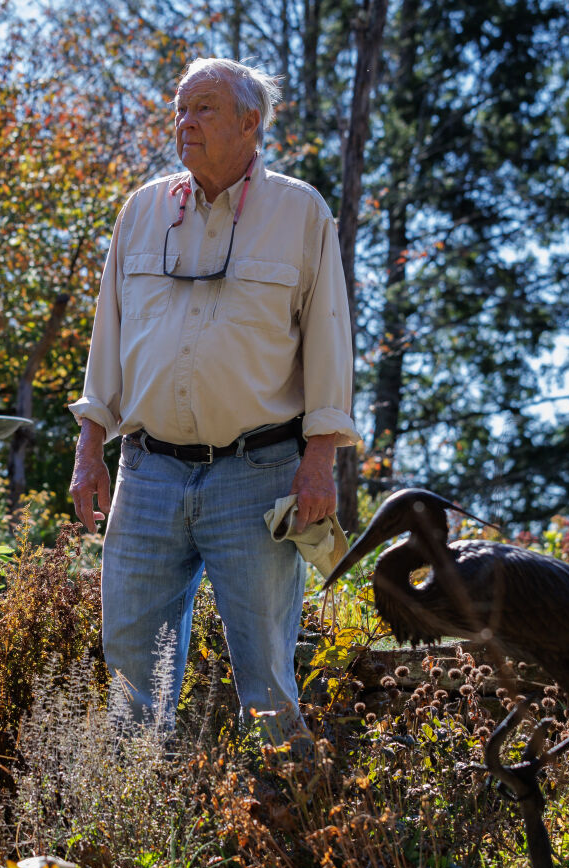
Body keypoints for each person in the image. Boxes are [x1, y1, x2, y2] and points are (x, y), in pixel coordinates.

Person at [67, 57, 359, 739]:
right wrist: (89, 448)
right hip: (146, 473)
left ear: (248, 123)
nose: (184, 123)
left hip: (256, 476)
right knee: (131, 674)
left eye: (202, 109)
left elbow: (328, 341)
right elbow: (107, 334)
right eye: (179, 109)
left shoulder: (299, 213)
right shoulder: (141, 211)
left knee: (265, 678)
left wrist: (319, 461)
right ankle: (136, 824)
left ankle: (282, 822)